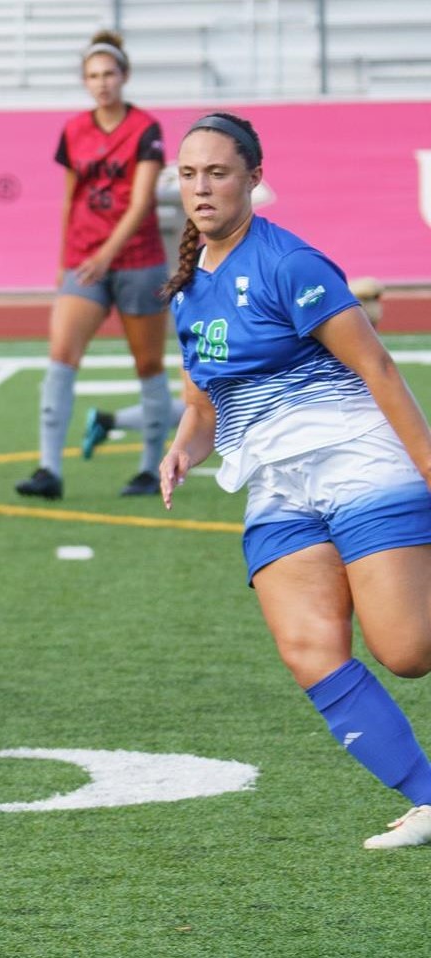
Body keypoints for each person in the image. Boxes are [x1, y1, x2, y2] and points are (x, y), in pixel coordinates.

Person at [158, 113, 431, 849]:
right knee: (308, 646)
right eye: (189, 174)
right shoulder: (187, 288)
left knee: (407, 651)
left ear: (253, 177)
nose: (202, 187)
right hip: (276, 488)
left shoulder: (291, 264)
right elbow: (204, 402)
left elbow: (376, 366)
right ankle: (430, 797)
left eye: (218, 172)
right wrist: (185, 446)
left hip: (356, 463)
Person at [17, 31, 172, 501]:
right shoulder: (74, 129)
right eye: (93, 76)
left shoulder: (145, 128)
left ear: (124, 76)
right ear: (85, 81)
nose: (102, 84)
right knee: (61, 355)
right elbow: (71, 197)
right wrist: (67, 258)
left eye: (109, 74)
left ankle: (150, 468)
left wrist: (107, 254)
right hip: (85, 261)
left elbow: (142, 200)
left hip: (139, 261)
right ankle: (48, 469)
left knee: (147, 363)